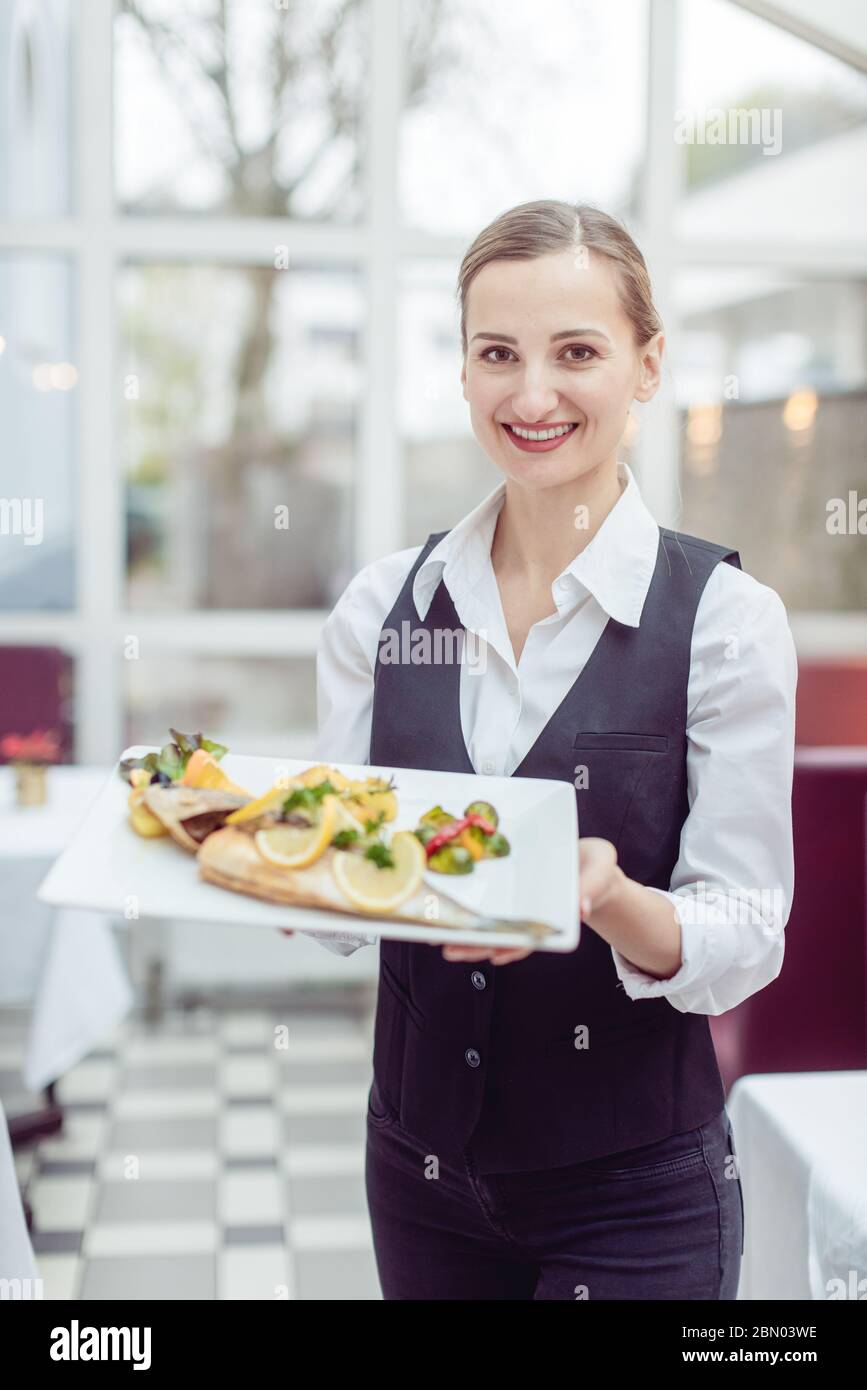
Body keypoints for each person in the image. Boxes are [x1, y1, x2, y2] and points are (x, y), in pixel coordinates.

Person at [296, 200, 796, 1300]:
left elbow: (748, 933)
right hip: (420, 1172)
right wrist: (240, 843)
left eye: (577, 352)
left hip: (636, 1197)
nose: (531, 395)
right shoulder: (386, 606)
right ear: (464, 371)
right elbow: (333, 898)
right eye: (496, 355)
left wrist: (610, 896)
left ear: (648, 363)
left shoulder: (725, 621)